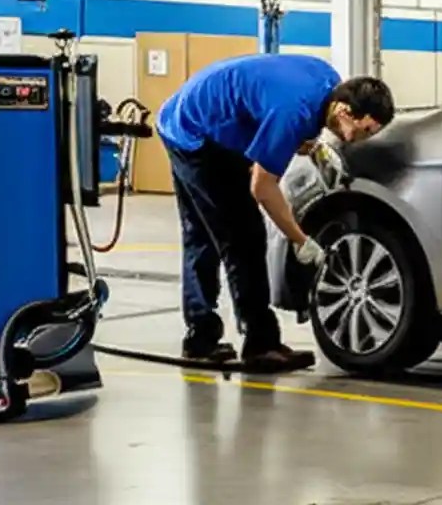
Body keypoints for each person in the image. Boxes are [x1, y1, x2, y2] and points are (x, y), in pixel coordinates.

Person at [156, 54, 395, 371]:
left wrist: (311, 144)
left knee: (203, 232)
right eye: (363, 131)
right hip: (195, 135)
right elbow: (263, 188)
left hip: (194, 113)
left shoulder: (327, 81)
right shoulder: (292, 111)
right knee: (243, 237)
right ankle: (260, 343)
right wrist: (301, 239)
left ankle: (200, 339)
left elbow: (271, 108)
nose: (359, 139)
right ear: (344, 110)